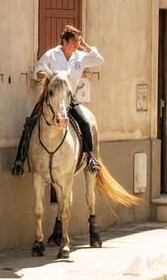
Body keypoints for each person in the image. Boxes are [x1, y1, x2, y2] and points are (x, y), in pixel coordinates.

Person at [13, 26, 104, 176]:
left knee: (85, 123)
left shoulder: (80, 56)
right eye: (74, 42)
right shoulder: (52, 55)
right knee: (30, 123)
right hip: (51, 98)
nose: (77, 46)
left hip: (69, 98)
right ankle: (19, 161)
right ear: (65, 41)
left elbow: (99, 60)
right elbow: (37, 71)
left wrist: (86, 46)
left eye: (78, 43)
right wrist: (46, 75)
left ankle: (90, 157)